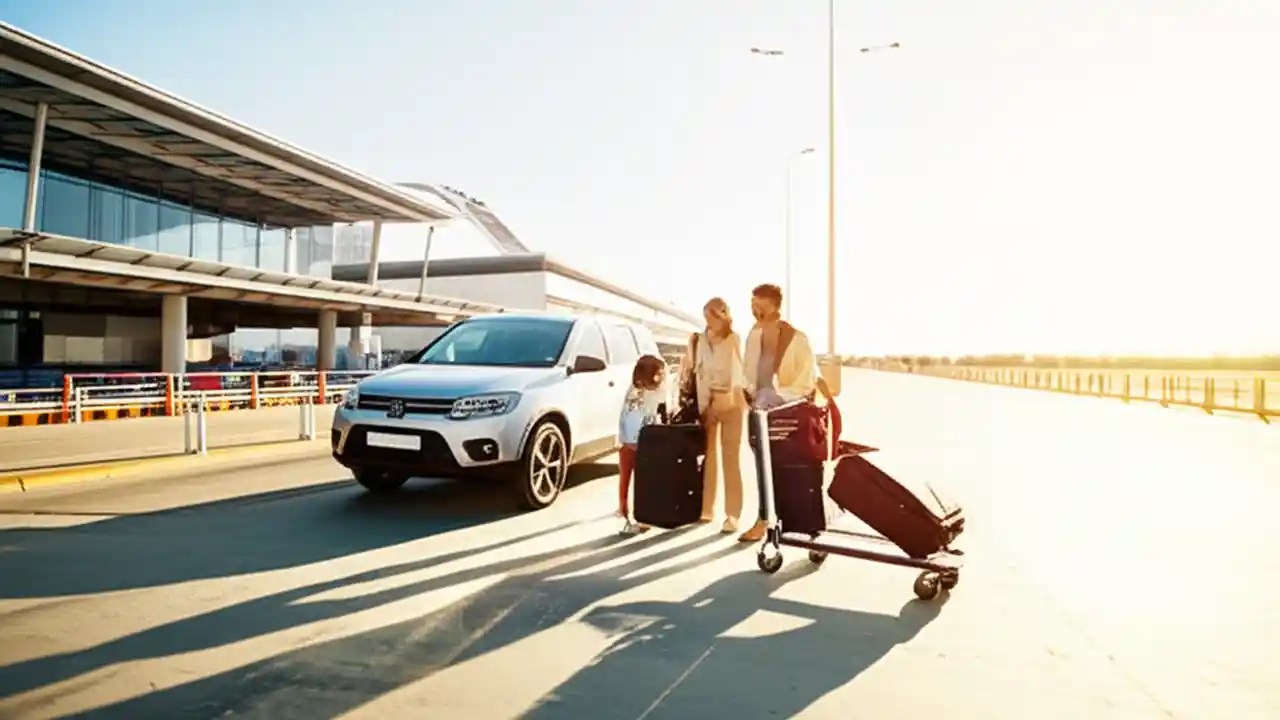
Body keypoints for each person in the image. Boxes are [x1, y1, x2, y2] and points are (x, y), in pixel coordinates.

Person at [738, 283, 819, 542]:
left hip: (786, 414)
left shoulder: (797, 339)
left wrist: (777, 396)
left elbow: (807, 381)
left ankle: (799, 523)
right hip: (758, 412)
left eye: (760, 307)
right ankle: (764, 520)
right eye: (752, 306)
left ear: (774, 306)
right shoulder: (753, 334)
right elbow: (748, 371)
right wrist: (749, 392)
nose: (755, 312)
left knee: (786, 471)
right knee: (763, 470)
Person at [679, 297, 748, 534]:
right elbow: (689, 371)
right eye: (706, 314)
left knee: (731, 459)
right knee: (708, 458)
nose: (709, 319)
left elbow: (739, 375)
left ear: (724, 316)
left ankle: (732, 515)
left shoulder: (733, 340)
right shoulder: (697, 340)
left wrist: (725, 400)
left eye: (714, 315)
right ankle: (706, 509)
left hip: (731, 405)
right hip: (705, 405)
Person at [617, 354, 667, 535]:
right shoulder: (639, 391)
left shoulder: (648, 391)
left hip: (643, 442)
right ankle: (625, 511)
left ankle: (640, 515)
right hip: (634, 442)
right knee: (630, 480)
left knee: (640, 482)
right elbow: (625, 415)